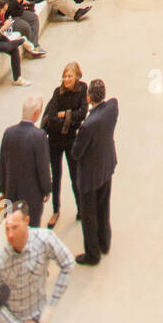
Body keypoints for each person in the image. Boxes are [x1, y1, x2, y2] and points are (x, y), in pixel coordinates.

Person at [0, 203, 73, 323]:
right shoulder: (1, 259)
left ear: (27, 221)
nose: (10, 235)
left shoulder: (44, 240)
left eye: (15, 228)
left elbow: (68, 263)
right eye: (7, 229)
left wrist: (49, 310)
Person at [72, 79, 118, 266]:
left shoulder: (88, 126)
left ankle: (92, 254)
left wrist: (77, 137)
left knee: (88, 215)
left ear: (89, 97)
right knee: (103, 205)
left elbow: (76, 153)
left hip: (90, 175)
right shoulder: (113, 107)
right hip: (106, 165)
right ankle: (104, 242)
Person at [41, 63, 87, 229]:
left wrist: (65, 115)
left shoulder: (82, 89)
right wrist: (70, 120)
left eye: (70, 76)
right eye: (65, 76)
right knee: (56, 175)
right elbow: (52, 117)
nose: (66, 79)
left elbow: (82, 113)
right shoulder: (57, 92)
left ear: (77, 77)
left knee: (75, 175)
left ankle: (80, 208)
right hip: (55, 140)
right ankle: (55, 210)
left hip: (70, 140)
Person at [0, 96, 51, 228]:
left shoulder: (8, 133)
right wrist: (46, 189)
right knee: (30, 230)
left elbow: (2, 164)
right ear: (36, 113)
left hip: (11, 193)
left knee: (13, 227)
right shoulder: (39, 136)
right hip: (31, 197)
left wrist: (3, 189)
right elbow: (43, 167)